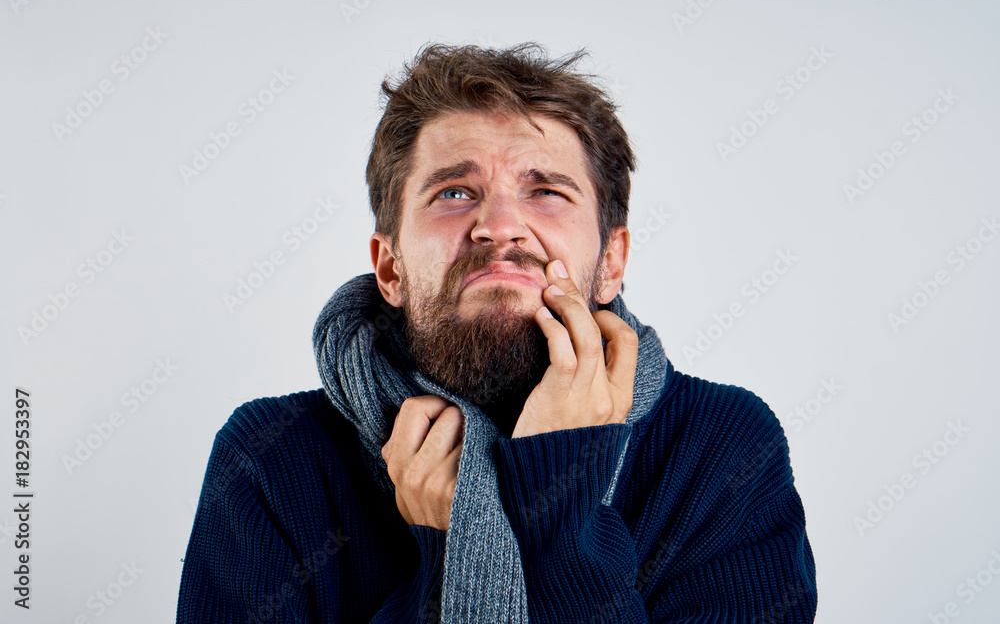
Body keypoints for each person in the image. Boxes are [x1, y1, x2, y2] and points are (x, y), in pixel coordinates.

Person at [176, 42, 817, 623]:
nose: (499, 225)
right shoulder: (273, 459)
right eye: (455, 192)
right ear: (390, 267)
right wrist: (436, 573)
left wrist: (559, 500)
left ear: (612, 262)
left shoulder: (724, 448)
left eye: (546, 191)